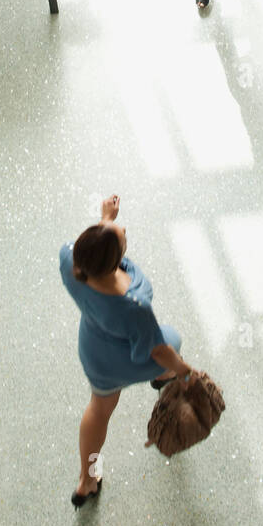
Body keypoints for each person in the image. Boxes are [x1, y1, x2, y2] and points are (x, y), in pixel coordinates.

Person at [59, 193, 193, 508]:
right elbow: (157, 348)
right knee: (173, 342)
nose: (124, 233)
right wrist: (185, 371)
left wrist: (105, 221)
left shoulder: (69, 260)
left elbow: (87, 251)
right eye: (123, 238)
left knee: (98, 411)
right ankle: (165, 378)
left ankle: (87, 479)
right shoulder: (134, 304)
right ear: (114, 260)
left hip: (94, 351)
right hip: (125, 359)